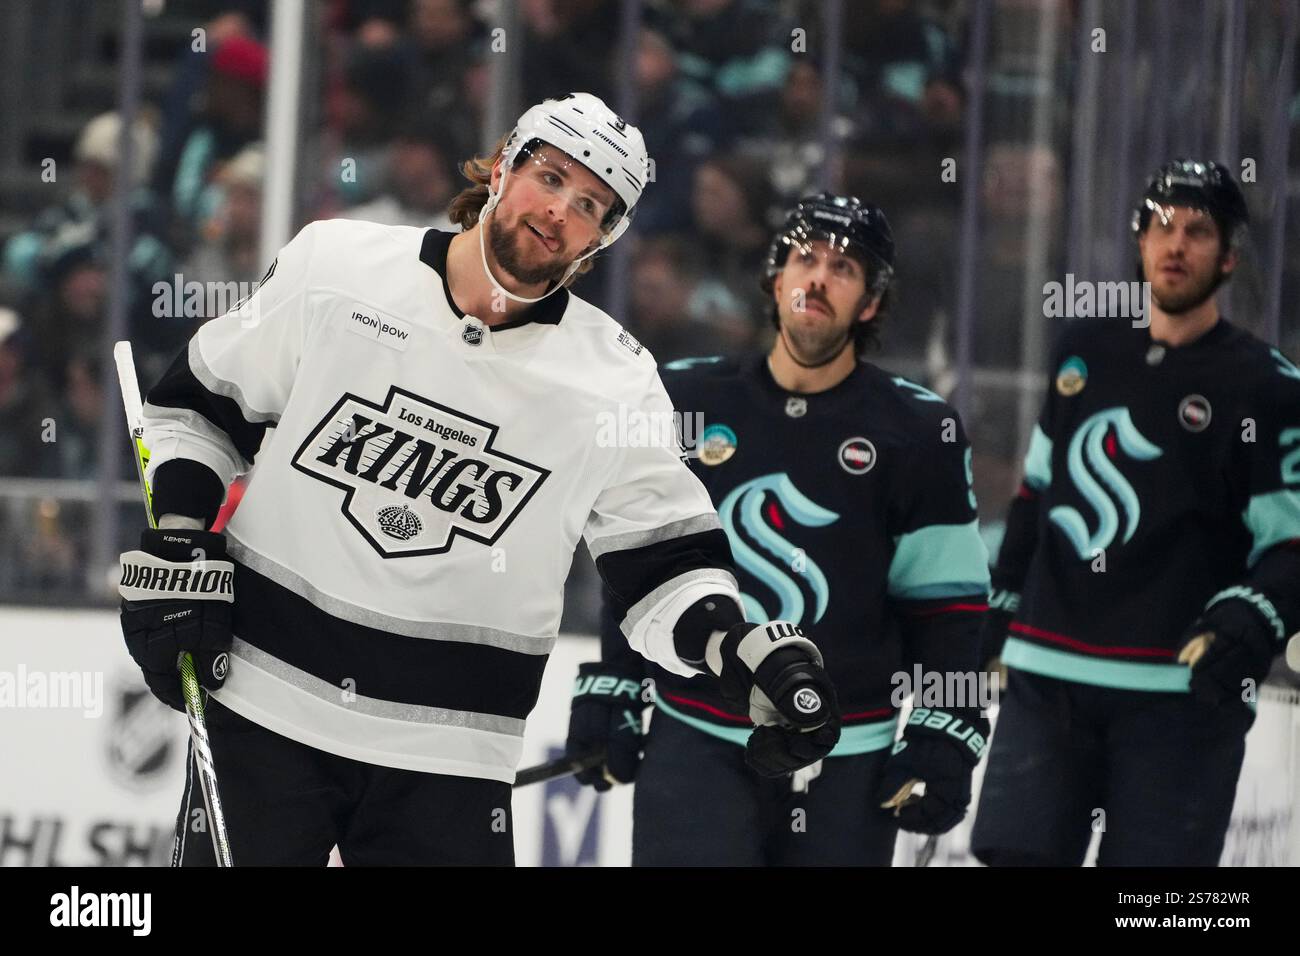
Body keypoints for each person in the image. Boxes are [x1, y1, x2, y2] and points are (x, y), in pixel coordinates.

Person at [115, 92, 839, 866]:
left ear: (604, 238)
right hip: (263, 712)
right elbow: (197, 410)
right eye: (550, 177)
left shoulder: (615, 383)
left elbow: (664, 568)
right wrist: (181, 539)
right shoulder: (338, 267)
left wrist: (736, 647)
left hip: (451, 757)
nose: (561, 210)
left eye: (591, 204)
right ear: (501, 167)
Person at [565, 193, 990, 865]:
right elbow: (645, 560)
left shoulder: (917, 431)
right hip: (696, 734)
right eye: (805, 258)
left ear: (871, 302)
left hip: (847, 753)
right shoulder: (684, 399)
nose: (819, 277)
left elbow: (950, 607)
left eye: (845, 269)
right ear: (775, 278)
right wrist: (615, 681)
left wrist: (947, 726)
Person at [971, 159, 1300, 866]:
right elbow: (1034, 498)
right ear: (1139, 242)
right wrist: (998, 613)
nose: (1174, 244)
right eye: (1159, 226)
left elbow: (1293, 545)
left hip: (1177, 694)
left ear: (1230, 256)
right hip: (1046, 675)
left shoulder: (1268, 387)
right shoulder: (1083, 352)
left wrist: (1248, 615)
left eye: (1197, 230)